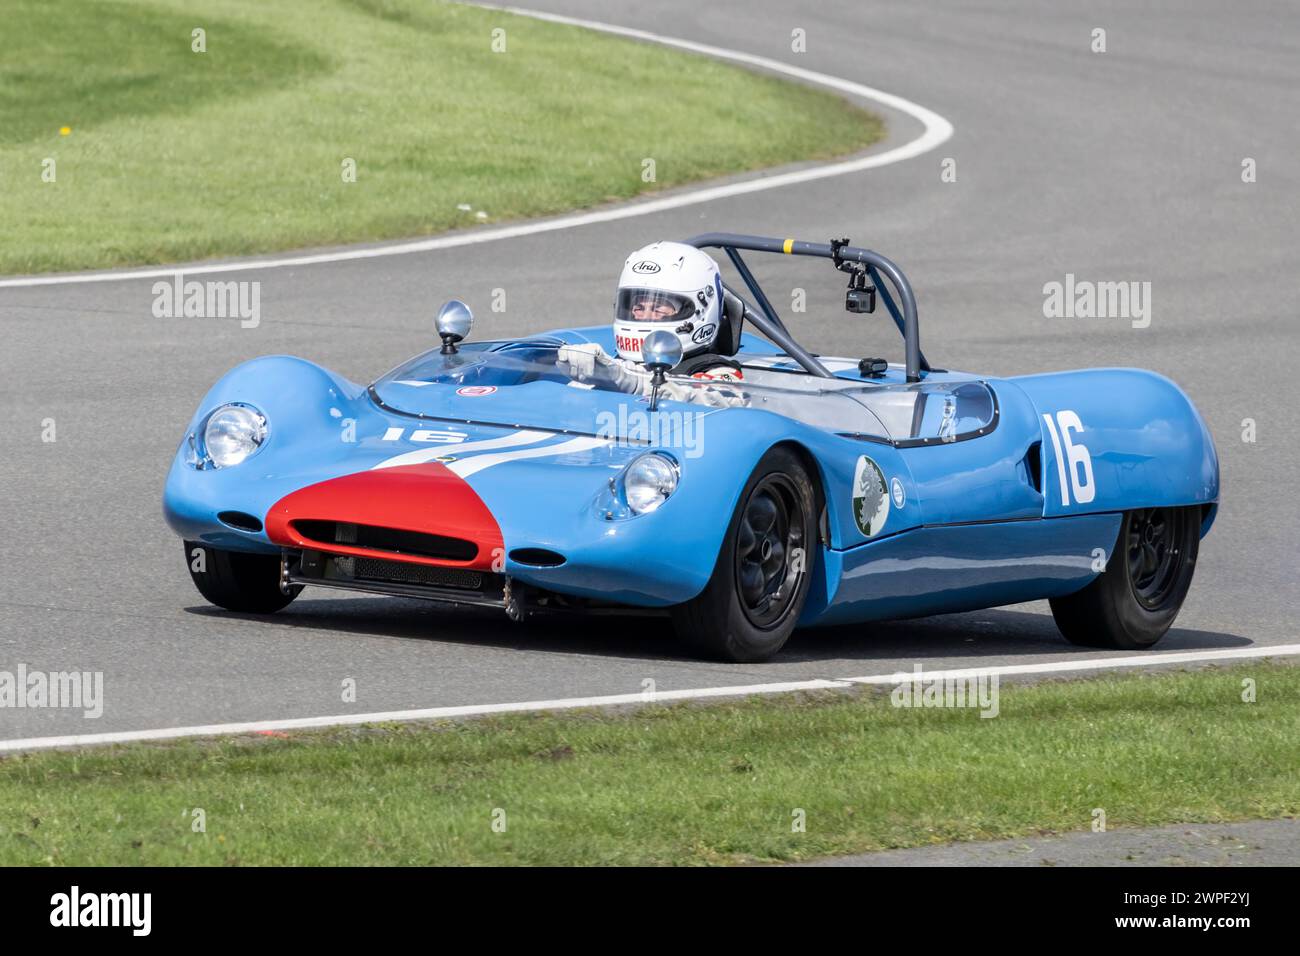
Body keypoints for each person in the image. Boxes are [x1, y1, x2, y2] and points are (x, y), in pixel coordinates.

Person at [556, 241, 746, 407]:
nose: (644, 315)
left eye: (659, 308)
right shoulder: (611, 366)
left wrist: (633, 383)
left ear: (701, 312)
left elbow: (722, 403)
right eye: (637, 306)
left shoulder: (720, 374)